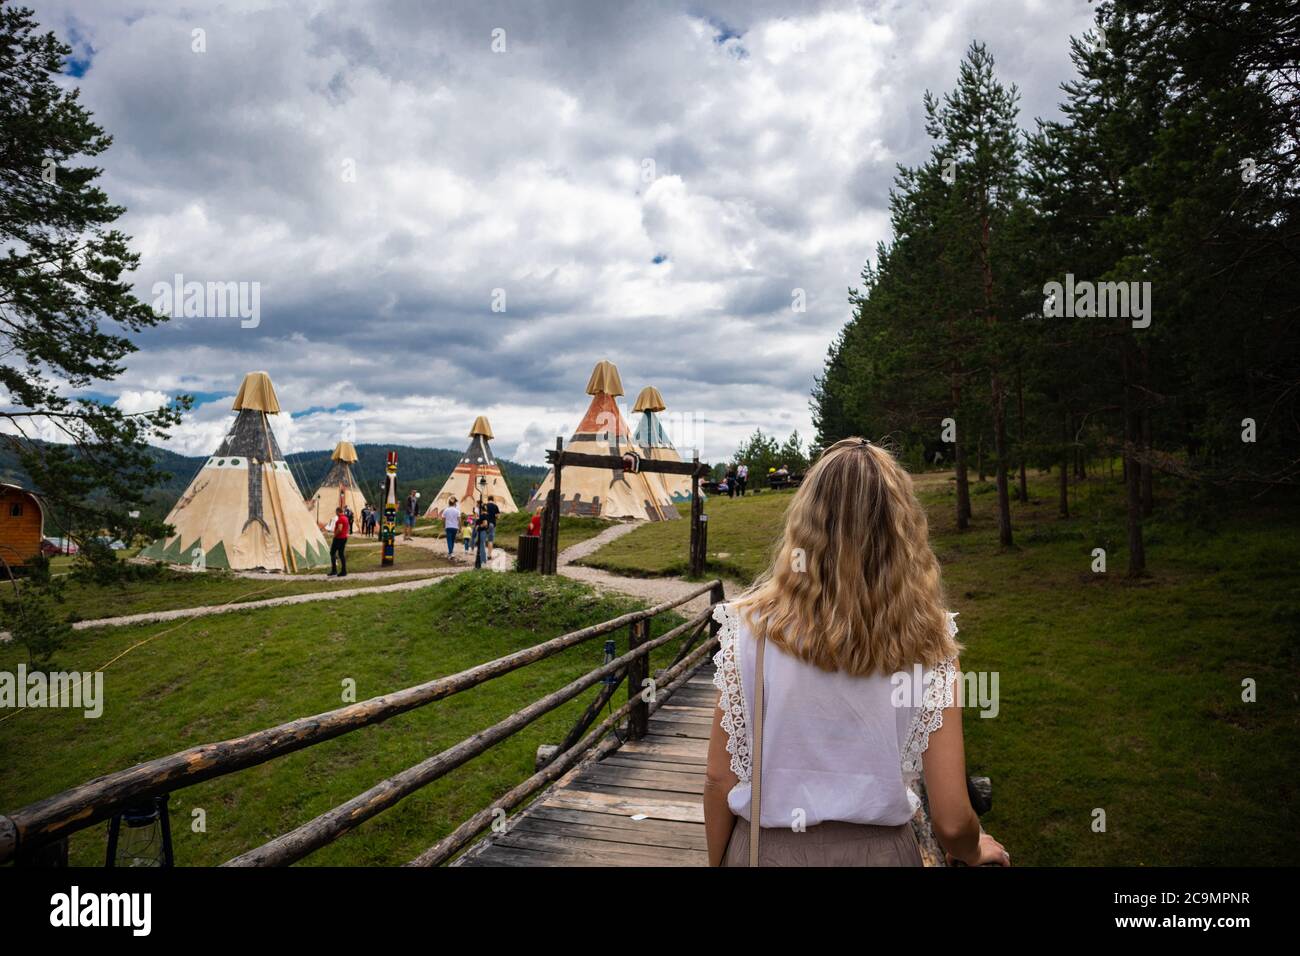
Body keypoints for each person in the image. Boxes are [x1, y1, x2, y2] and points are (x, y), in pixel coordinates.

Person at [703, 438, 1009, 868]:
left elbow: (719, 780)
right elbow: (954, 820)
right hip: (881, 853)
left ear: (805, 524)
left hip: (766, 851)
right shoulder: (929, 640)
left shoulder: (751, 630)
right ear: (901, 530)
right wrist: (975, 850)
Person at [327, 506, 349, 577]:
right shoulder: (346, 518)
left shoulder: (340, 519)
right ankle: (344, 571)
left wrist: (335, 535)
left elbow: (339, 529)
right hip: (344, 537)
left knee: (332, 553)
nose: (336, 514)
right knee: (341, 554)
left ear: (338, 512)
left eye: (336, 512)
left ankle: (334, 570)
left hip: (339, 538)